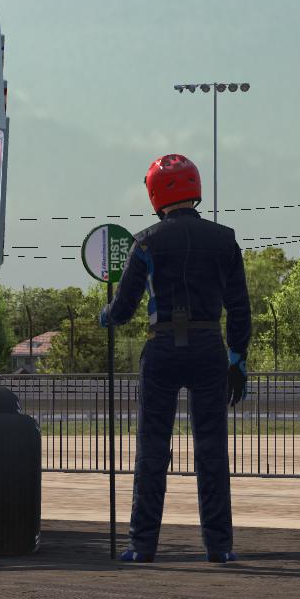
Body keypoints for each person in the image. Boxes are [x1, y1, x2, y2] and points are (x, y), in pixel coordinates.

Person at [98, 153, 251, 564]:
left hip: (163, 347)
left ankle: (142, 546)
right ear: (195, 189)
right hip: (208, 348)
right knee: (212, 450)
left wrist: (105, 316)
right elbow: (240, 308)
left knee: (152, 448)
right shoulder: (224, 240)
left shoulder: (146, 241)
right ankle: (219, 547)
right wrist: (237, 359)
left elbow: (124, 309)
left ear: (155, 193)